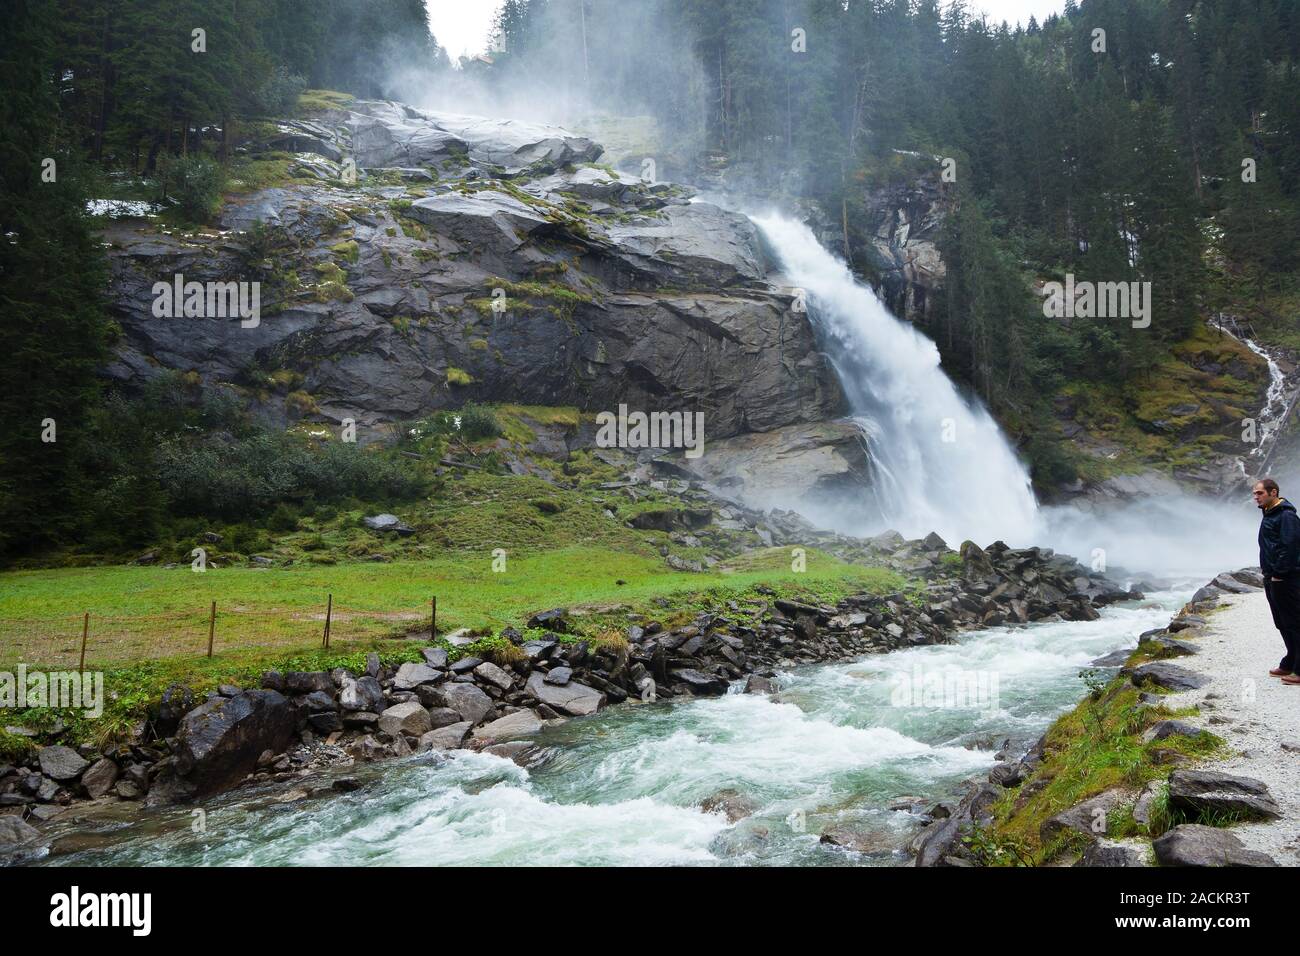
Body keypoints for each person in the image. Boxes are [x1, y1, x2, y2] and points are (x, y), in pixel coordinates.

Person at [1254, 477, 1300, 684]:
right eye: (1255, 493)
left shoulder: (1286, 516)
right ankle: (1290, 661)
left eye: (1260, 493)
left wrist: (1279, 573)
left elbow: (1289, 546)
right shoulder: (1269, 514)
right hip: (1272, 576)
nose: (1256, 497)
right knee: (1281, 622)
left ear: (1274, 493)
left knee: (1294, 622)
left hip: (1286, 577)